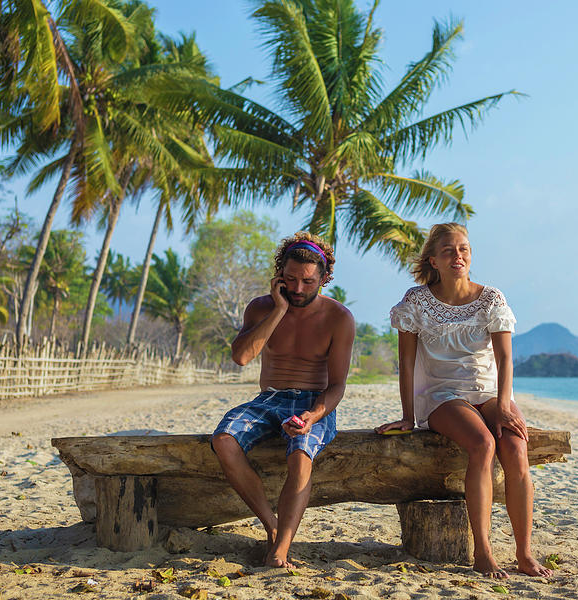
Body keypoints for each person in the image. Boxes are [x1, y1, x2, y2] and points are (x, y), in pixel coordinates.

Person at [375, 223, 551, 579]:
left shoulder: (491, 298)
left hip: (489, 391)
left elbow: (505, 359)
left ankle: (524, 553)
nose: (458, 256)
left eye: (464, 249)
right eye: (449, 250)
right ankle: (482, 552)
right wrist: (408, 416)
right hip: (442, 395)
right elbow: (406, 363)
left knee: (516, 447)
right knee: (483, 444)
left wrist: (505, 405)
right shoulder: (416, 301)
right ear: (433, 260)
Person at [211, 232, 355, 569]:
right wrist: (278, 310)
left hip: (313, 401)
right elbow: (242, 357)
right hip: (269, 398)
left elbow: (337, 385)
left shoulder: (339, 318)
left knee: (301, 456)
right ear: (279, 274)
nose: (298, 288)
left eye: (308, 281)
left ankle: (280, 550)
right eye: (290, 279)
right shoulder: (261, 307)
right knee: (223, 441)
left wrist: (312, 416)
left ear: (324, 278)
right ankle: (272, 525)